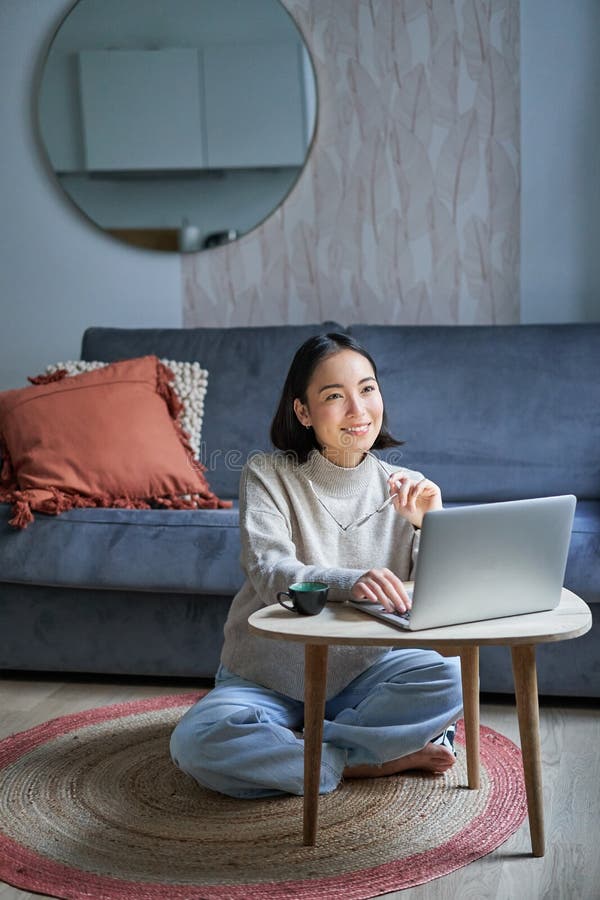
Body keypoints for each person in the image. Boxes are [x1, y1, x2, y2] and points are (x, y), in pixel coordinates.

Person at [170, 333, 463, 798]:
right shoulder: (267, 473)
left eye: (367, 389)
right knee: (196, 742)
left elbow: (438, 600)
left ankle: (305, 754)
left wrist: (433, 524)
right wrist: (353, 581)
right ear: (302, 412)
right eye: (334, 396)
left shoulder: (410, 488)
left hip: (364, 675)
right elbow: (271, 571)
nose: (357, 409)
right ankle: (361, 758)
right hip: (265, 677)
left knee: (448, 675)